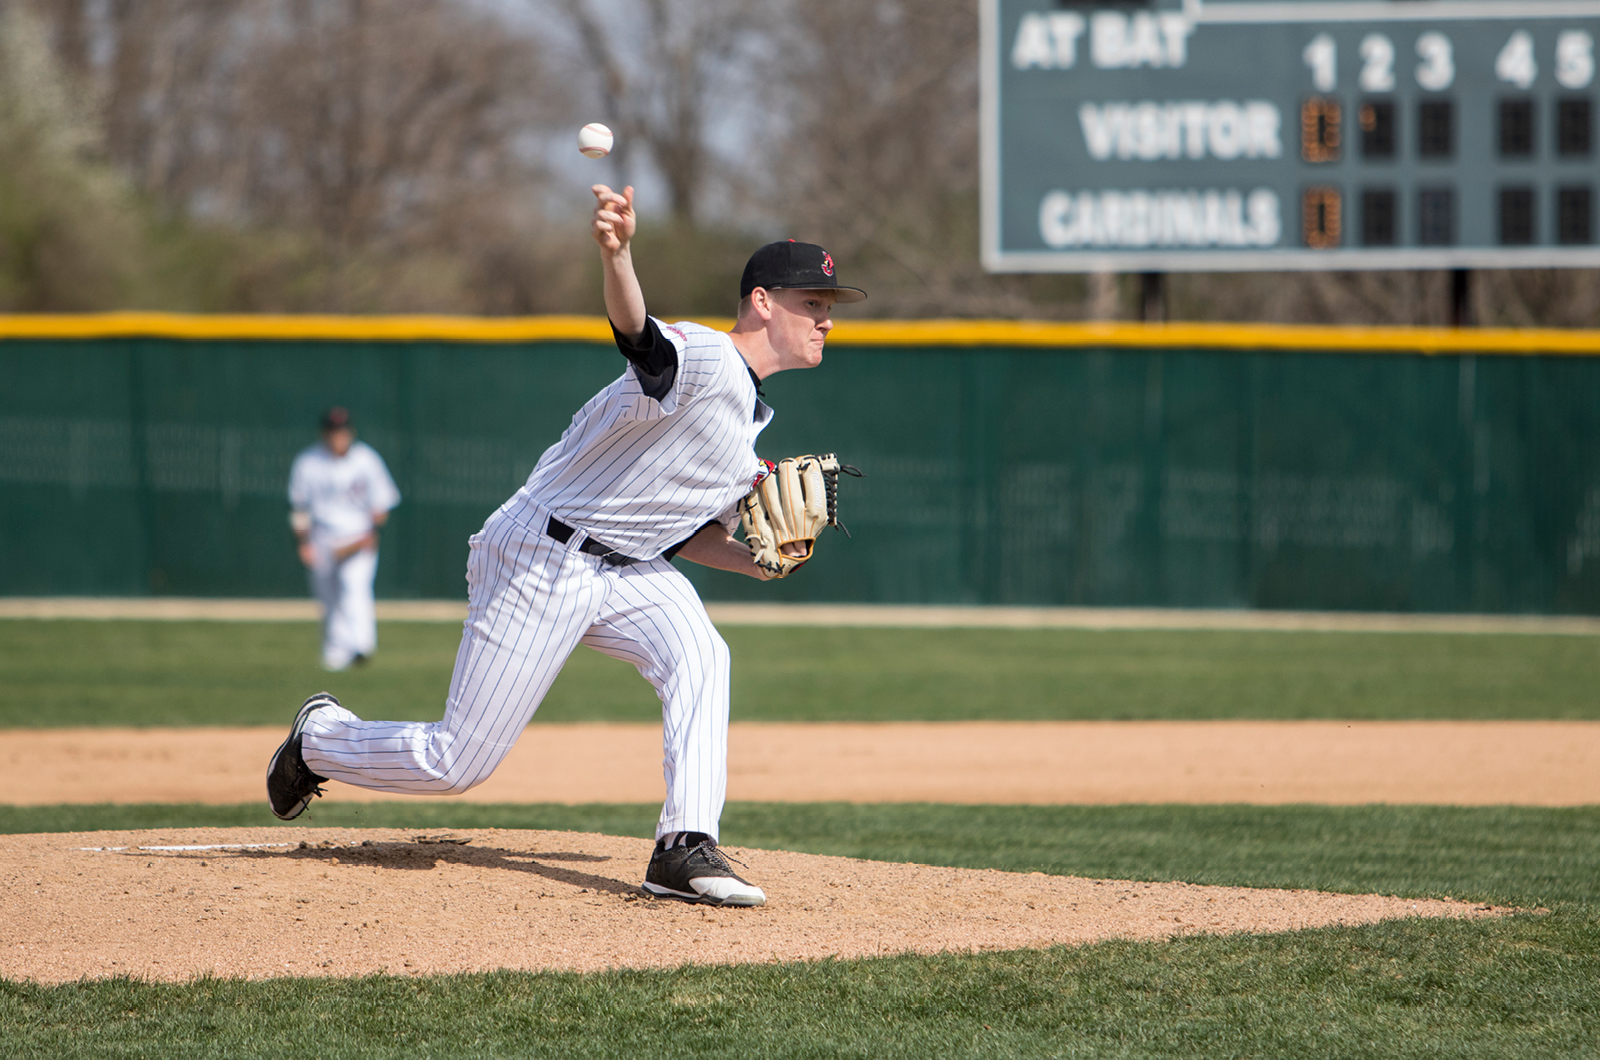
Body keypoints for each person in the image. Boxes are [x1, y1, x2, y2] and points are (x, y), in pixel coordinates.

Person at [266, 184, 865, 907]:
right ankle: (321, 737)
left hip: (626, 568)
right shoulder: (706, 358)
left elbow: (682, 537)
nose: (826, 320)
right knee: (458, 762)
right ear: (762, 301)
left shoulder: (746, 435)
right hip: (540, 557)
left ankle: (683, 847)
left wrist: (760, 562)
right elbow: (641, 338)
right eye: (813, 304)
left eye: (830, 308)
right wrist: (619, 254)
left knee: (702, 654)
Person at [287, 407, 401, 672]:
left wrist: (370, 532)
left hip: (357, 536)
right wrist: (303, 543)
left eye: (342, 431)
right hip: (322, 537)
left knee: (354, 587)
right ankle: (337, 653)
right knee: (328, 598)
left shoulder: (366, 460)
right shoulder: (308, 462)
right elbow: (299, 508)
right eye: (333, 431)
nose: (338, 436)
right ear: (324, 433)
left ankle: (361, 646)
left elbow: (382, 504)